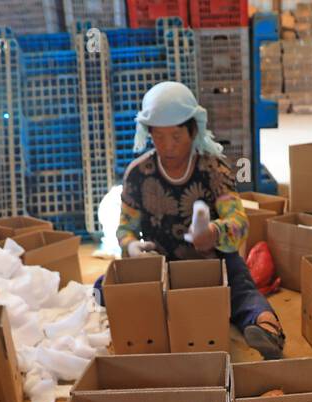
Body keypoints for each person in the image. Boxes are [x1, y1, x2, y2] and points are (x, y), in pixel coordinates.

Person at [114, 81, 285, 359]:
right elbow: (125, 228)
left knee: (241, 288)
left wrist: (213, 233)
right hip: (162, 264)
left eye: (177, 136)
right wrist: (132, 247)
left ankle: (266, 328)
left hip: (213, 262)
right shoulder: (138, 175)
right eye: (158, 136)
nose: (168, 146)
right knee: (109, 286)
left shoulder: (213, 169)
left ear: (193, 130)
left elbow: (239, 222)